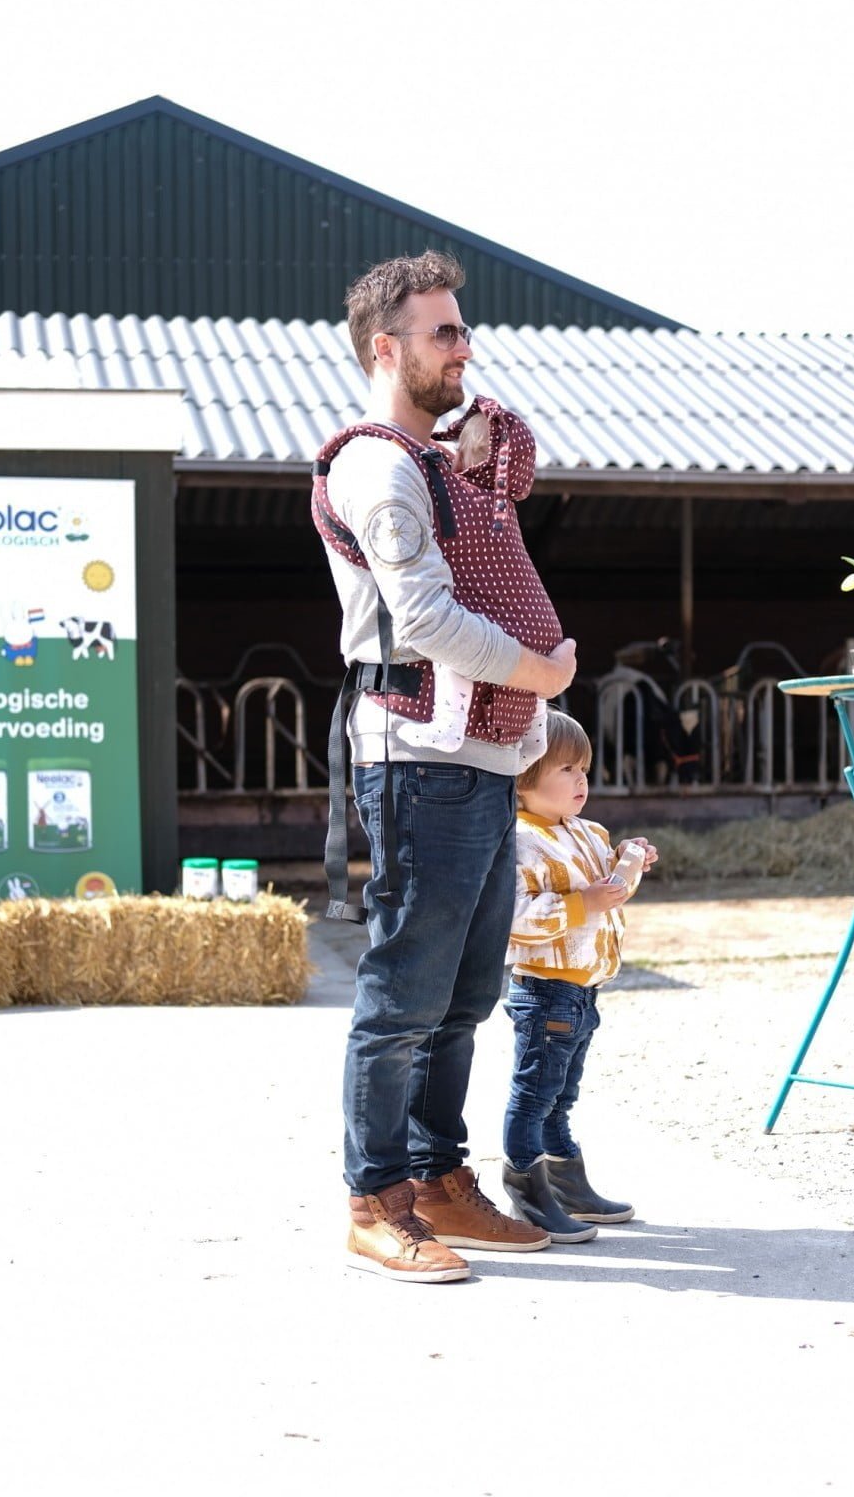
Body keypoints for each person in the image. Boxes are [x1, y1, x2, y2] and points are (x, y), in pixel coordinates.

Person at [311, 250, 577, 1283]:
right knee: (405, 993)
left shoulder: (437, 463)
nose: (463, 348)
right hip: (416, 752)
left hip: (474, 755)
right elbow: (420, 619)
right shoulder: (377, 466)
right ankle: (373, 1198)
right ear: (386, 348)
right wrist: (538, 673)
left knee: (464, 992)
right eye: (442, 332)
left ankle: (436, 1180)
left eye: (463, 330)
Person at [500, 708, 658, 1241]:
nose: (581, 780)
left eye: (584, 768)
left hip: (584, 992)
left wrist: (627, 864)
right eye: (566, 769)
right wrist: (582, 901)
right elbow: (515, 920)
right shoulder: (520, 841)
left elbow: (605, 896)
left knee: (561, 1096)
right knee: (535, 1095)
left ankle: (567, 1184)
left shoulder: (588, 833)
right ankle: (526, 1187)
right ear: (523, 778)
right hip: (544, 991)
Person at [396, 403, 548, 767]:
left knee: (457, 644)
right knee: (534, 680)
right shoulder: (504, 503)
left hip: (499, 622)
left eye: (461, 451)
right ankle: (537, 734)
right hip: (542, 627)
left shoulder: (465, 498)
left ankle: (449, 723)